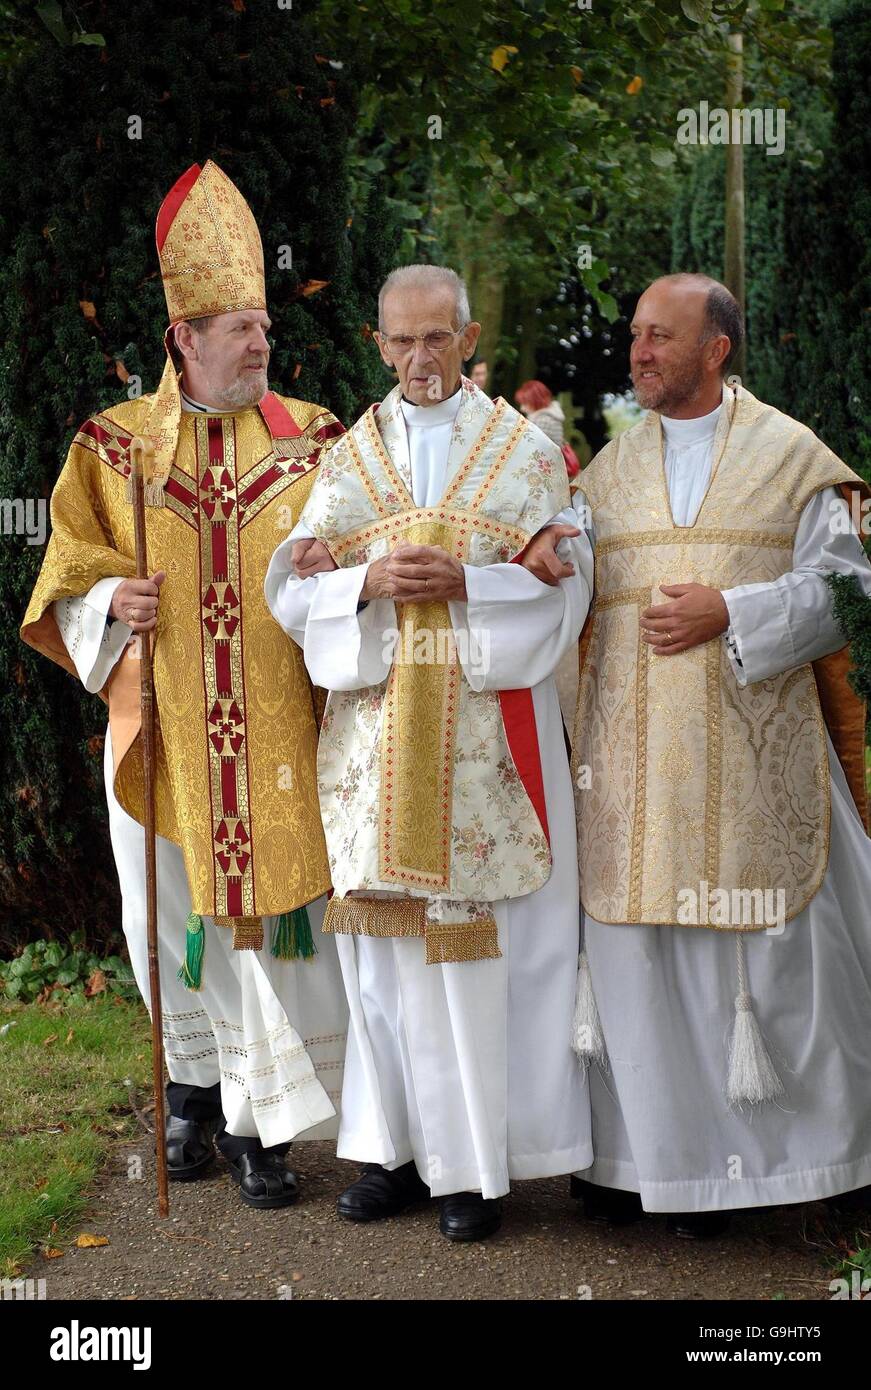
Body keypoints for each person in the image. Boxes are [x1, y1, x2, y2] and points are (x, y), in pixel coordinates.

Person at [21, 160, 349, 1209]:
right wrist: (109, 605)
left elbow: (367, 556)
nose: (261, 342)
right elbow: (64, 571)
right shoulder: (113, 449)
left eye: (263, 323)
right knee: (163, 919)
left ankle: (267, 1127)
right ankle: (190, 1094)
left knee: (267, 920)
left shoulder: (317, 442)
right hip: (156, 728)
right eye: (238, 327)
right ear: (182, 341)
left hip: (279, 734)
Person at [521, 272, 871, 1237]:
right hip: (628, 768)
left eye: (658, 338)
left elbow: (848, 588)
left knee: (785, 961)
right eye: (635, 336)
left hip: (757, 767)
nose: (637, 353)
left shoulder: (792, 457)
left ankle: (815, 1165)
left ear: (715, 349)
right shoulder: (602, 474)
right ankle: (656, 1168)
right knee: (638, 960)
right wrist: (546, 555)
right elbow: (567, 586)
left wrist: (736, 612)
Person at [265, 264, 594, 1242]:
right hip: (375, 749)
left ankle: (473, 1169)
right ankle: (393, 1154)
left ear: (468, 333)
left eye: (437, 338)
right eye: (402, 341)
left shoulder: (524, 453)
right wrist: (359, 582)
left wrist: (469, 582)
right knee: (380, 964)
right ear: (378, 345)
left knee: (471, 968)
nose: (420, 359)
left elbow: (564, 582)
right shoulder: (347, 460)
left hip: (481, 750)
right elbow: (296, 585)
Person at [515, 380, 580, 479]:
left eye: (525, 403)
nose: (522, 408)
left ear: (535, 401)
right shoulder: (547, 417)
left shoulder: (543, 420)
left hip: (543, 473)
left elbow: (533, 451)